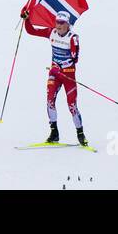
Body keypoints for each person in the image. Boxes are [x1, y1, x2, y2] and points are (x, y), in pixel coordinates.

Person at [43, 11, 85, 146]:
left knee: (72, 105)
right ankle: (54, 133)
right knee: (50, 100)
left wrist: (60, 67)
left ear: (67, 24)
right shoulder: (51, 32)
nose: (58, 25)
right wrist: (25, 18)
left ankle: (80, 134)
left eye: (61, 23)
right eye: (57, 22)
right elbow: (31, 30)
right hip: (54, 74)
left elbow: (74, 59)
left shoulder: (73, 38)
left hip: (68, 75)